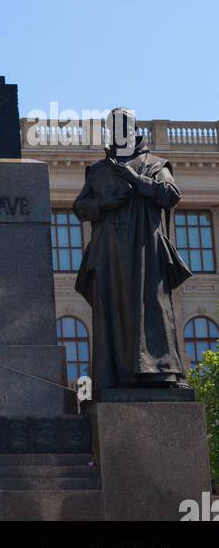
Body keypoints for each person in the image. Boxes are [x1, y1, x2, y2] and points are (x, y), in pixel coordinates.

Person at [73, 107, 191, 392]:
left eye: (123, 125)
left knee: (151, 307)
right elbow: (80, 207)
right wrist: (102, 206)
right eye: (113, 125)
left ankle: (159, 373)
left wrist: (135, 180)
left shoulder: (154, 163)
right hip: (108, 254)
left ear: (133, 129)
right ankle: (113, 377)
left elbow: (170, 195)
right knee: (111, 310)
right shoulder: (98, 171)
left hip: (144, 253)